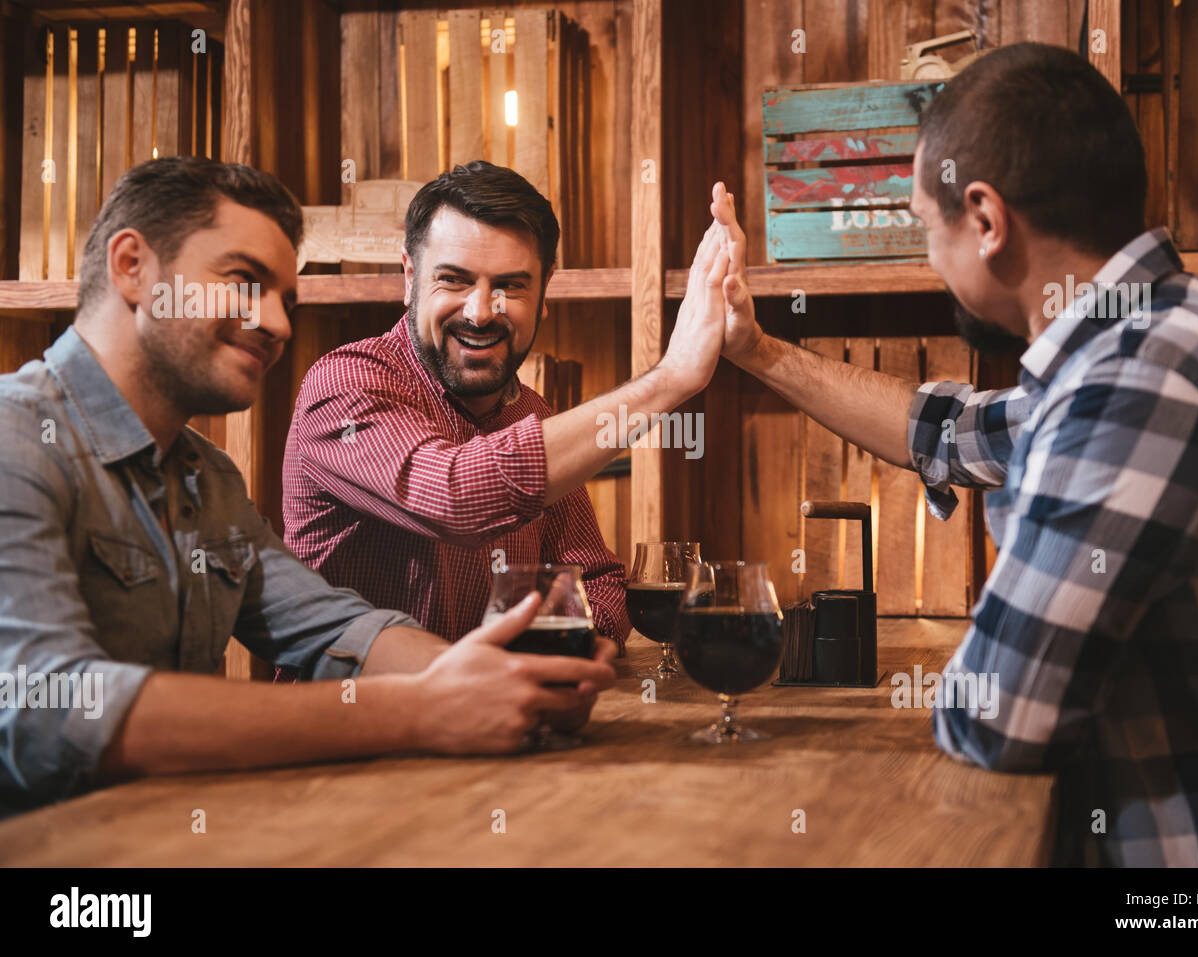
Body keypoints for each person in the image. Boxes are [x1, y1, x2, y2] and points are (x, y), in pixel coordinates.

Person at [708, 43, 1198, 866]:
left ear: (986, 220)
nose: (927, 258)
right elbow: (950, 432)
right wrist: (756, 349)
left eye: (924, 225)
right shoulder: (1143, 339)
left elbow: (997, 713)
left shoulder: (1143, 381)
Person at [0, 155, 728, 814]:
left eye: (286, 296)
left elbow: (336, 626)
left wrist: (501, 686)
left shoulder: (204, 477)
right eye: (244, 283)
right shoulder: (13, 438)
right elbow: (50, 711)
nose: (278, 323)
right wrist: (421, 709)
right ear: (133, 267)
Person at [282, 161, 723, 652]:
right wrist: (673, 378)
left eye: (511, 285)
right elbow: (455, 498)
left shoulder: (531, 413)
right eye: (453, 279)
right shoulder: (346, 383)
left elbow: (596, 579)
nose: (480, 311)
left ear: (544, 290)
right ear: (409, 276)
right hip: (349, 722)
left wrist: (588, 638)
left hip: (499, 721)